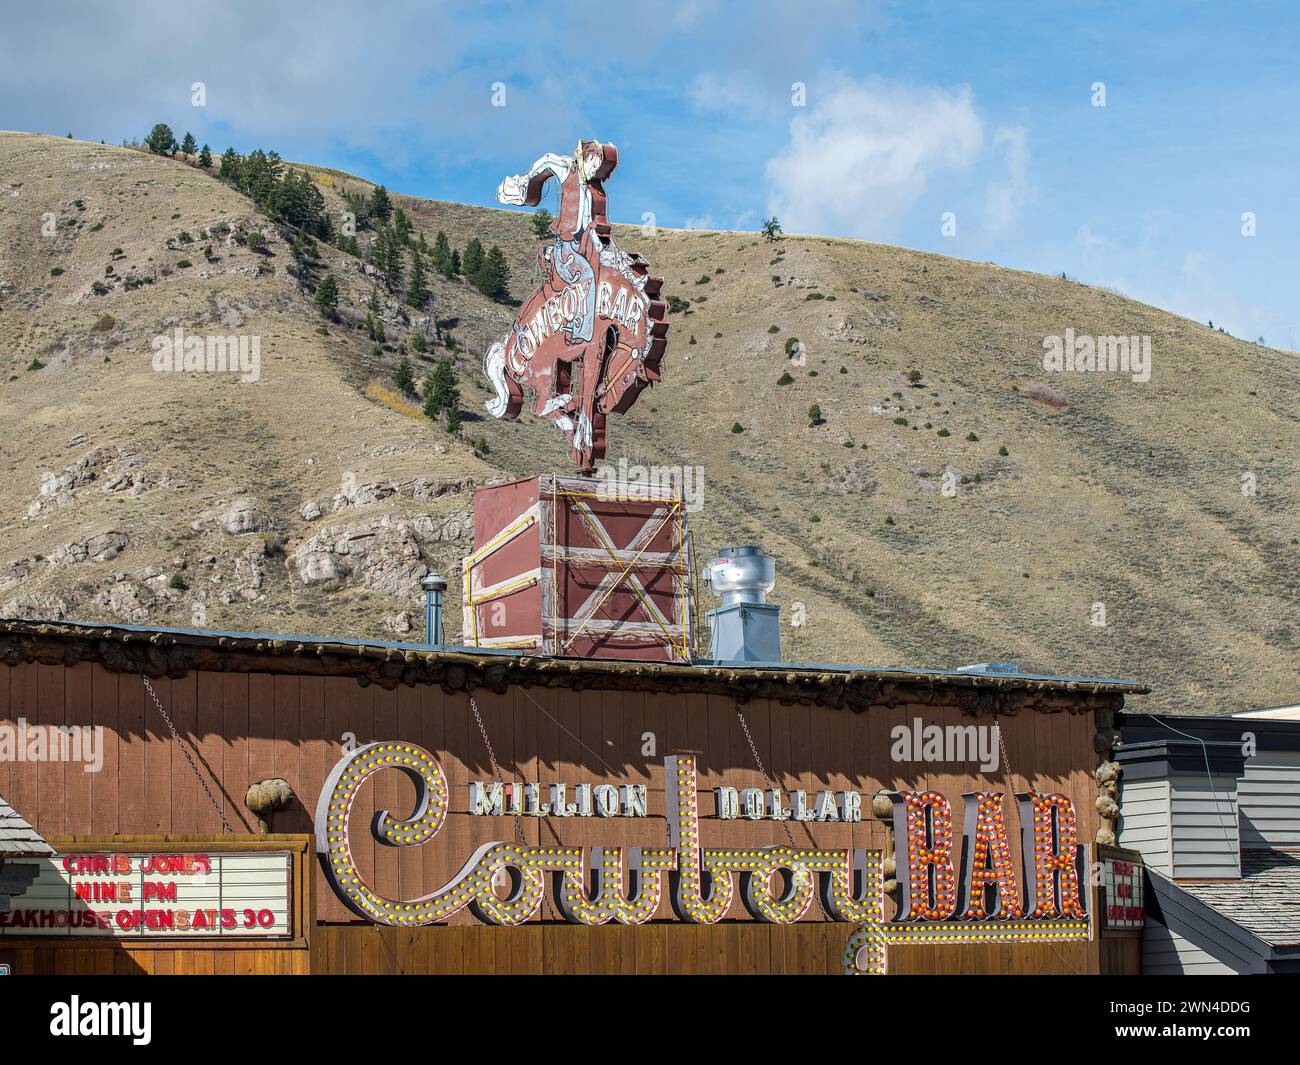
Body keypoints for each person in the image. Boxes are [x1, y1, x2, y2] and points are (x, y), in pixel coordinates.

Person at [497, 140, 610, 346]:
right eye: (593, 161)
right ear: (585, 156)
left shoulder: (593, 189)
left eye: (599, 165)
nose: (595, 168)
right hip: (565, 248)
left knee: (599, 272)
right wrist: (522, 187)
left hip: (582, 247)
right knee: (586, 275)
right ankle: (581, 332)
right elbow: (546, 163)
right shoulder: (565, 168)